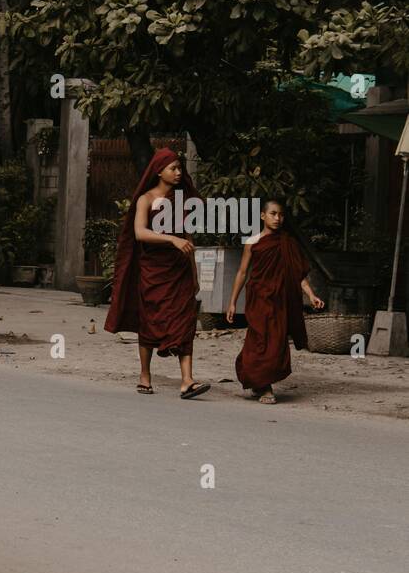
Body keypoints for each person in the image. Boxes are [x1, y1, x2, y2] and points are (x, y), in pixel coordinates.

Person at [104, 147, 210, 399]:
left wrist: (194, 275)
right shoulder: (146, 199)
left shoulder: (182, 199)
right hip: (153, 270)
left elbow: (188, 238)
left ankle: (187, 380)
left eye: (179, 168)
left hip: (180, 270)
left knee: (185, 322)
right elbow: (140, 233)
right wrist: (171, 239)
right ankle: (145, 375)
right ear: (158, 171)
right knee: (149, 322)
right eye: (173, 168)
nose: (178, 172)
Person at [226, 199, 324, 404]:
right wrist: (233, 302)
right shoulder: (252, 242)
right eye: (273, 214)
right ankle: (263, 385)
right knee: (259, 339)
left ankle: (262, 382)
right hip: (259, 298)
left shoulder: (287, 243)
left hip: (280, 301)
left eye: (280, 214)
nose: (277, 218)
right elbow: (242, 273)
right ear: (263, 216)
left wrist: (311, 294)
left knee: (276, 341)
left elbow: (297, 275)